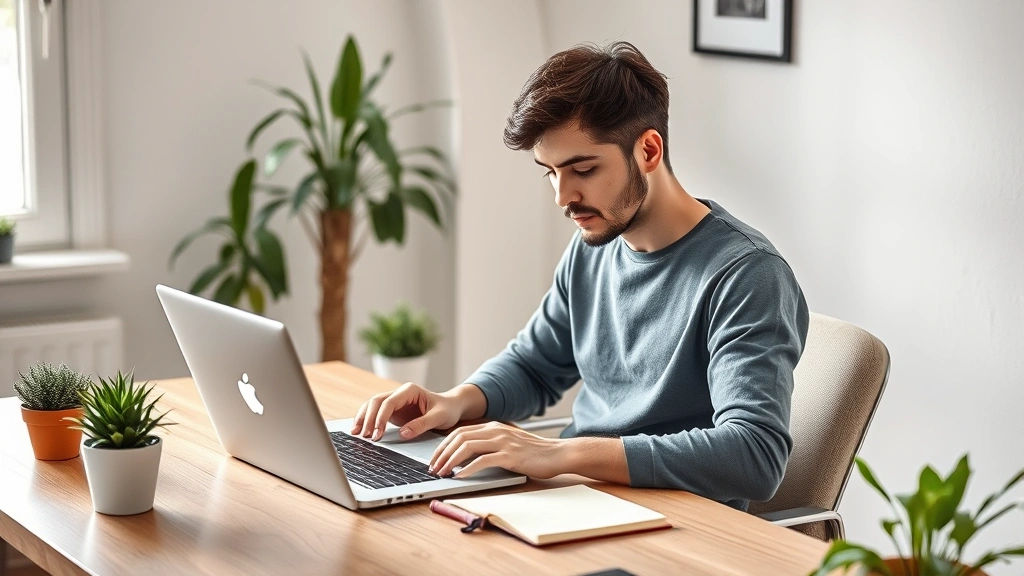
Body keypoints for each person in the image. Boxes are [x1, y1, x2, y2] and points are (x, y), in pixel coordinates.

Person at [352, 41, 809, 510]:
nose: (563, 197)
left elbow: (755, 454)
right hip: (580, 499)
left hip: (678, 521)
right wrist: (454, 402)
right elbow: (534, 365)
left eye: (583, 169)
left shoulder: (747, 275)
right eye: (549, 173)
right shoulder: (595, 246)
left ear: (649, 150)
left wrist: (562, 453)